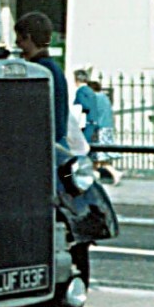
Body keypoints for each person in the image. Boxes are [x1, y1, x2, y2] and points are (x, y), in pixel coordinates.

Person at [14, 11, 68, 147]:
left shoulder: (37, 72)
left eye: (19, 38)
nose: (17, 43)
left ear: (29, 37)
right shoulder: (55, 69)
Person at [74, 68, 120, 185]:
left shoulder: (95, 97)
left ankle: (113, 173)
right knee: (96, 154)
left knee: (98, 154)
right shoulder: (104, 97)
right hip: (107, 126)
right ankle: (95, 175)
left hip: (99, 128)